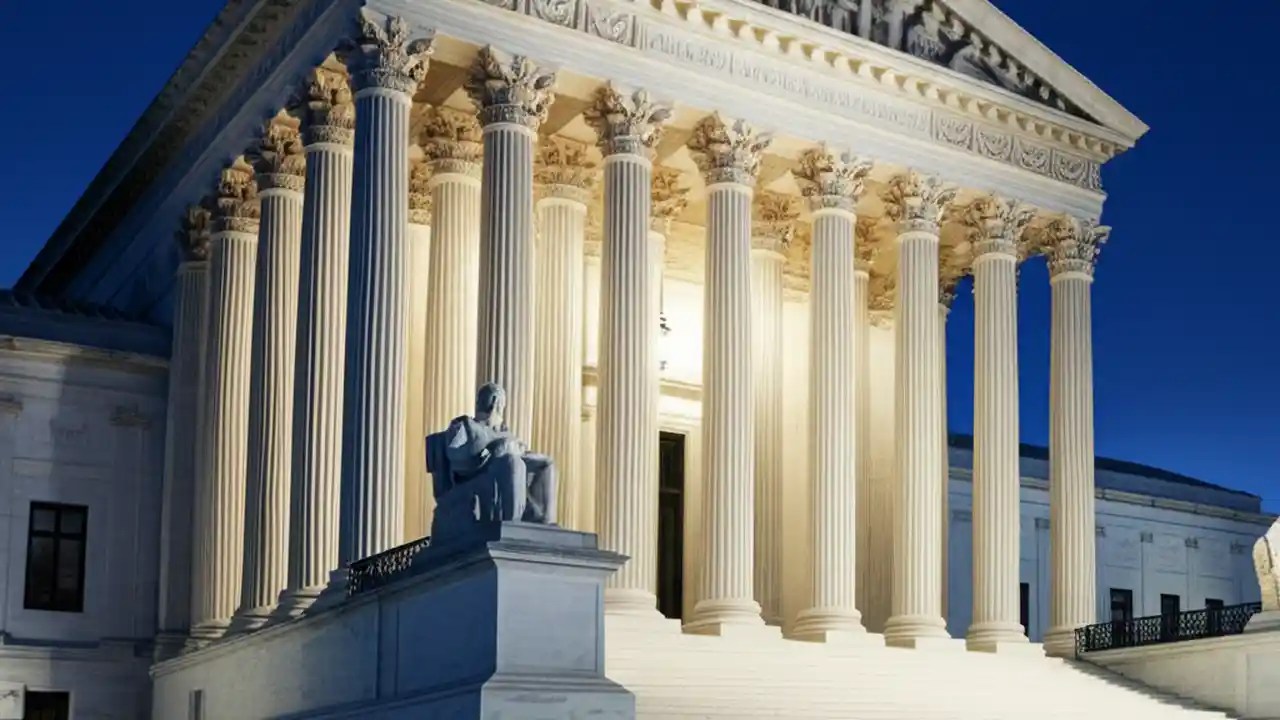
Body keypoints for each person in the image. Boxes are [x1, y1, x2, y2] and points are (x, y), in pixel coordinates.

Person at [440, 383, 557, 525]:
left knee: (546, 464)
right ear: (496, 403)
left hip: (510, 463)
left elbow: (516, 450)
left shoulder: (503, 431)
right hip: (480, 475)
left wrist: (517, 448)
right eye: (502, 406)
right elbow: (455, 457)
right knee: (512, 462)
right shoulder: (466, 426)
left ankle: (545, 520)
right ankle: (512, 523)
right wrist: (492, 451)